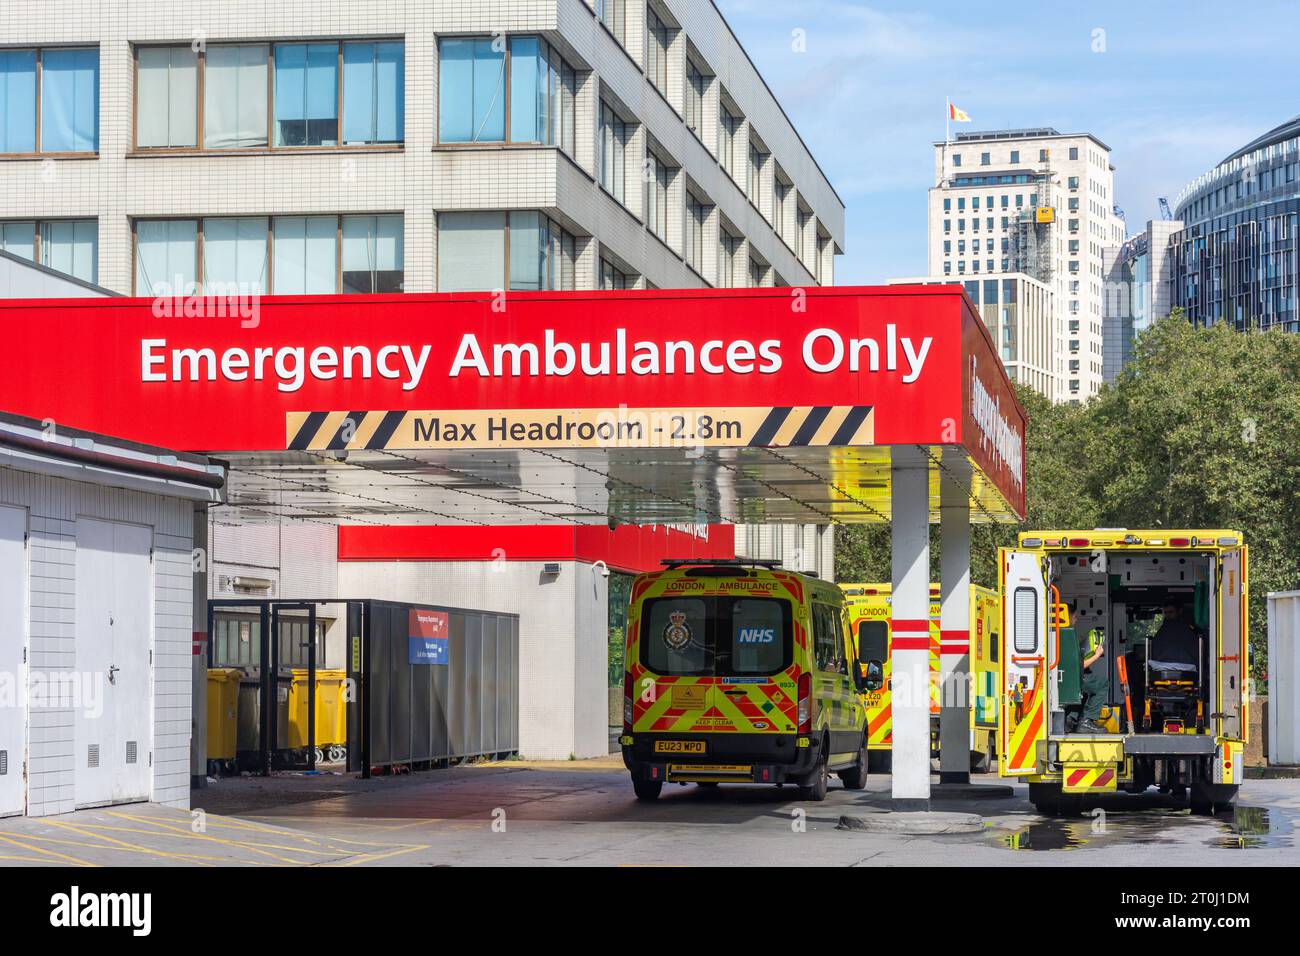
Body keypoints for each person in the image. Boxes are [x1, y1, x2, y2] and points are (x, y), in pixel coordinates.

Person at [1075, 624, 1108, 734]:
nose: (1076, 619)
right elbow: (1080, 666)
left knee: (1088, 687)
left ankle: (1072, 719)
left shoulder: (1064, 635)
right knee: (1102, 684)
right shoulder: (1069, 635)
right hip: (1075, 678)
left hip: (1067, 678)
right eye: (1074, 617)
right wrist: (1096, 655)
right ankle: (1085, 721)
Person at [1150, 602, 1200, 672]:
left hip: (1166, 666)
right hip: (1188, 666)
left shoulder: (1186, 629)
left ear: (1180, 611)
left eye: (1170, 612)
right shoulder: (1164, 629)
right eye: (1165, 612)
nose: (1168, 615)